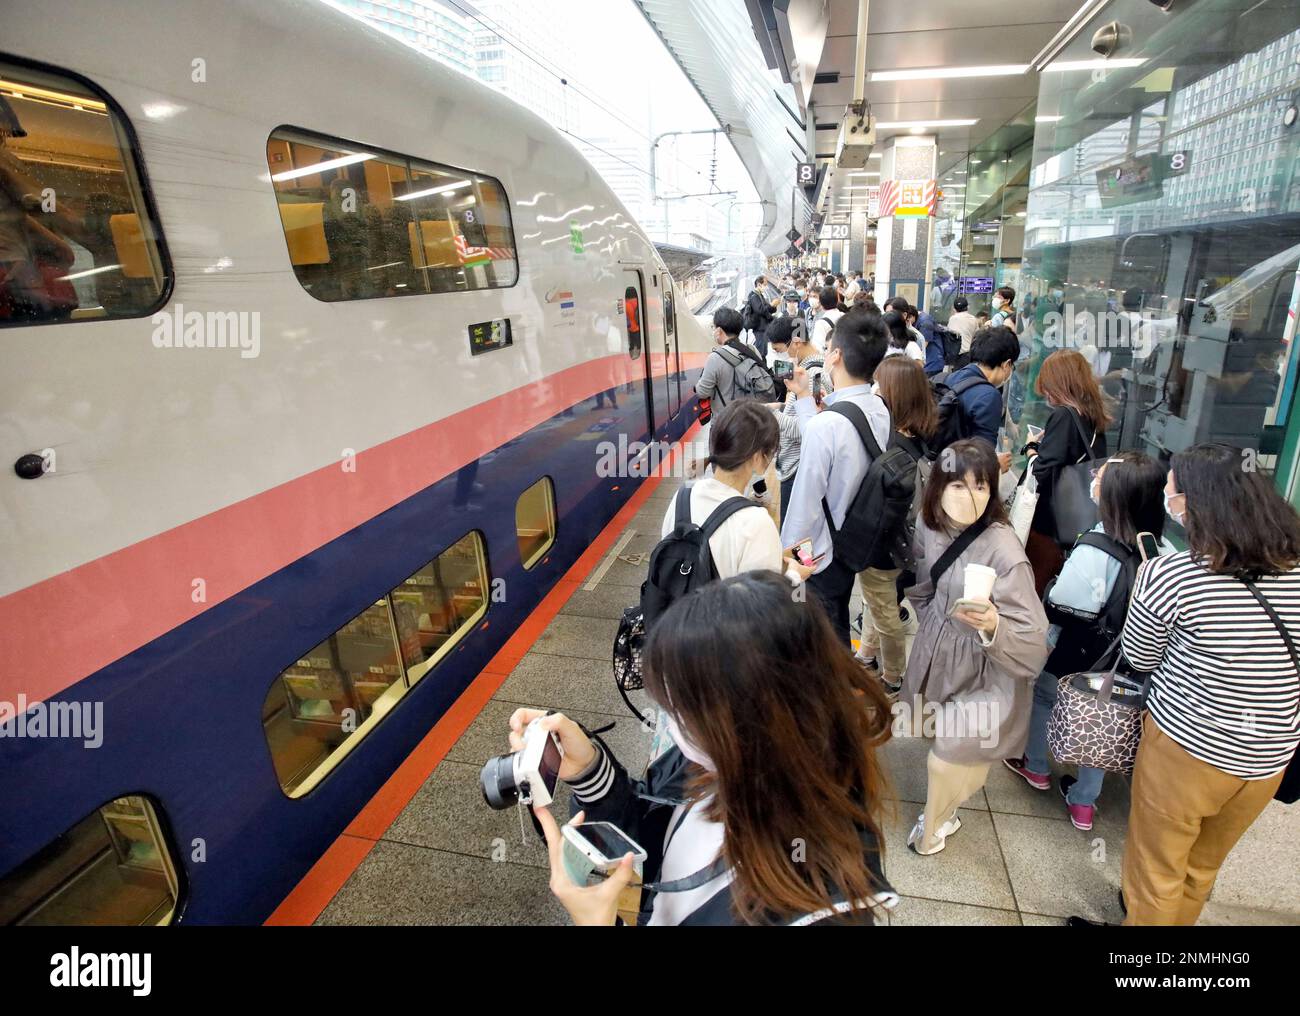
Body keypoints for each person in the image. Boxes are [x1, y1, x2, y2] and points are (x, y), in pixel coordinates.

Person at [523, 571, 898, 925]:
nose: (672, 723)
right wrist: (590, 772)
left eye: (682, 709)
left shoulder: (823, 908)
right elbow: (649, 836)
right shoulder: (724, 761)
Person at [1108, 443, 1300, 926]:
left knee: (1157, 872)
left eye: (1172, 489)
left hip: (1188, 752)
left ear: (1192, 503)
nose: (1168, 496)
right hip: (1269, 758)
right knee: (1200, 869)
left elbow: (1140, 656)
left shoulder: (1171, 574)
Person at [1004, 452, 1170, 831]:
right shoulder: (1156, 546)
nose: (1093, 479)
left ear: (1117, 495)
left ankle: (1036, 766)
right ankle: (1084, 801)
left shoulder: (1098, 544)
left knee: (1045, 697)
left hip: (1079, 648)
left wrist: (1048, 591)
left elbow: (1064, 601)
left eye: (1102, 478)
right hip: (1123, 654)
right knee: (1107, 715)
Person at [900, 439, 1049, 854]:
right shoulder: (930, 525)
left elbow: (1035, 641)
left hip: (988, 669)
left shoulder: (1005, 550)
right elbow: (922, 580)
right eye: (960, 486)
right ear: (938, 487)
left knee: (948, 753)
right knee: (941, 736)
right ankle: (945, 813)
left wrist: (994, 624)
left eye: (982, 487)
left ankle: (936, 823)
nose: (971, 497)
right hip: (939, 651)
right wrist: (932, 619)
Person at [781, 311, 891, 645]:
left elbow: (804, 505)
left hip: (820, 554)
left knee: (819, 630)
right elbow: (821, 431)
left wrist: (790, 566)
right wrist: (803, 396)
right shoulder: (879, 408)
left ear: (836, 356)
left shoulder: (827, 425)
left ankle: (831, 686)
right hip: (854, 540)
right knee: (836, 613)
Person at [660, 399, 812, 586]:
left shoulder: (682, 497)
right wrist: (795, 576)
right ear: (757, 457)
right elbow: (763, 607)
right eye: (773, 450)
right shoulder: (756, 522)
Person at [855, 356, 937, 694]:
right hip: (903, 546)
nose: (873, 391)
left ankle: (892, 678)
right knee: (879, 603)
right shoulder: (918, 438)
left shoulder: (889, 443)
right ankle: (866, 657)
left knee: (886, 613)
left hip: (881, 548)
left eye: (878, 386)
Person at [1022, 349, 1111, 592]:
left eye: (1048, 387)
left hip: (1049, 521)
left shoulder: (1064, 416)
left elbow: (1043, 470)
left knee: (1032, 583)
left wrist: (1032, 448)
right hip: (1074, 520)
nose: (1046, 394)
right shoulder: (1093, 416)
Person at [939, 326, 1020, 468]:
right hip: (959, 474)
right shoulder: (989, 396)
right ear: (1007, 364)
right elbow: (983, 455)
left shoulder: (947, 378)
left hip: (940, 466)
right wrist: (995, 465)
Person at [695, 306, 768, 409]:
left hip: (726, 420)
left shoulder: (715, 358)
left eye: (713, 327)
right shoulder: (752, 349)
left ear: (719, 330)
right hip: (751, 417)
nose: (713, 331)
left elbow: (702, 392)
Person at [743, 276, 774, 358]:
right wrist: (770, 314)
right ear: (759, 284)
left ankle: (763, 367)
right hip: (759, 328)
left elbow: (767, 308)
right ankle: (760, 367)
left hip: (763, 327)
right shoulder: (754, 296)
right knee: (761, 351)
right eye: (765, 284)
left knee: (764, 351)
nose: (766, 287)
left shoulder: (759, 295)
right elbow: (760, 309)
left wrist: (773, 307)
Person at [811, 285, 844, 352]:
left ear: (821, 303)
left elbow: (818, 349)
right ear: (837, 300)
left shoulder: (820, 323)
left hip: (831, 358)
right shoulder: (845, 317)